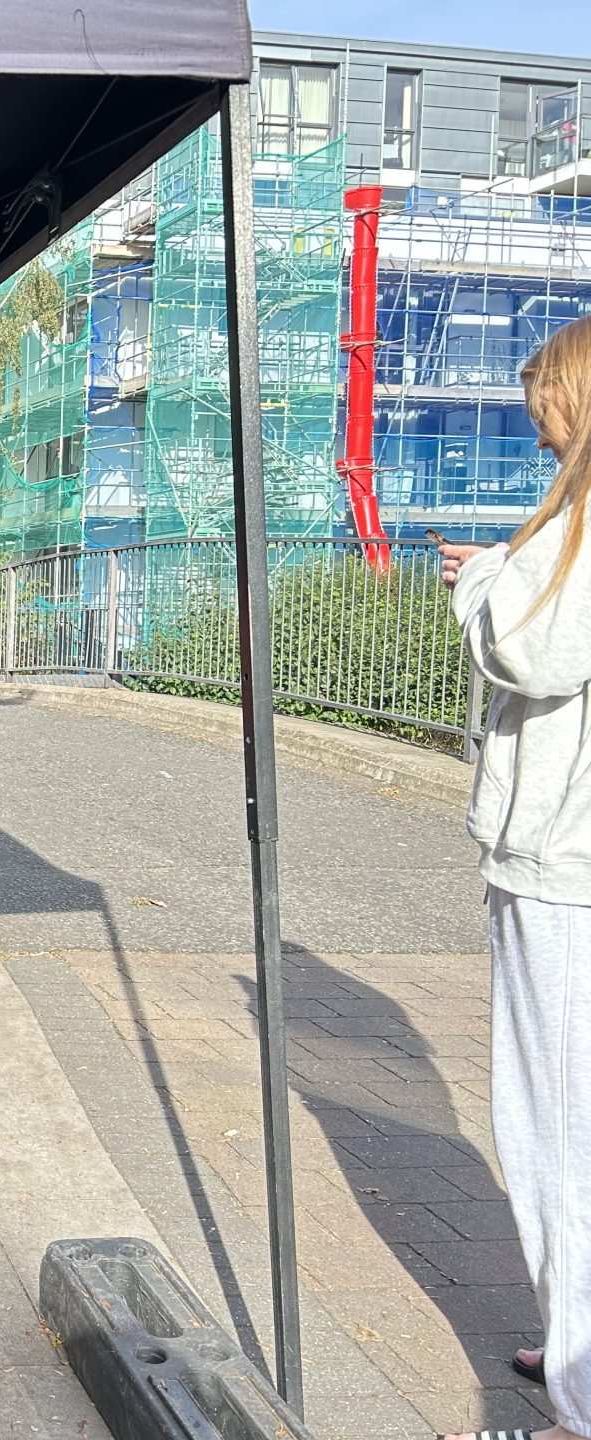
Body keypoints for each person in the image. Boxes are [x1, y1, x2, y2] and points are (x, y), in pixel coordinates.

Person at [438, 313, 591, 1440]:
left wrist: (486, 574)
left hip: (567, 872)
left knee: (558, 1131)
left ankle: (581, 1395)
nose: (540, 440)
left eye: (547, 418)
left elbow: (530, 647)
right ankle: (577, 1337)